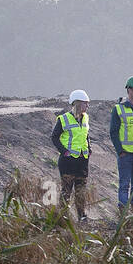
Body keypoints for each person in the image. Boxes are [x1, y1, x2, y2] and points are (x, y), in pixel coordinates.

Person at [51, 89, 91, 221]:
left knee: (81, 191)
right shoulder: (63, 119)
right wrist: (65, 152)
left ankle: (82, 216)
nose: (87, 106)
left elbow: (85, 135)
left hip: (82, 161)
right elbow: (54, 137)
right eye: (85, 103)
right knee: (66, 191)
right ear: (78, 103)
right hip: (68, 162)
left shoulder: (85, 118)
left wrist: (89, 149)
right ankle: (62, 217)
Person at [110, 75, 133, 217]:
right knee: (124, 184)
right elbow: (113, 132)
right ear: (129, 90)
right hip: (126, 154)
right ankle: (123, 214)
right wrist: (120, 151)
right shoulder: (119, 109)